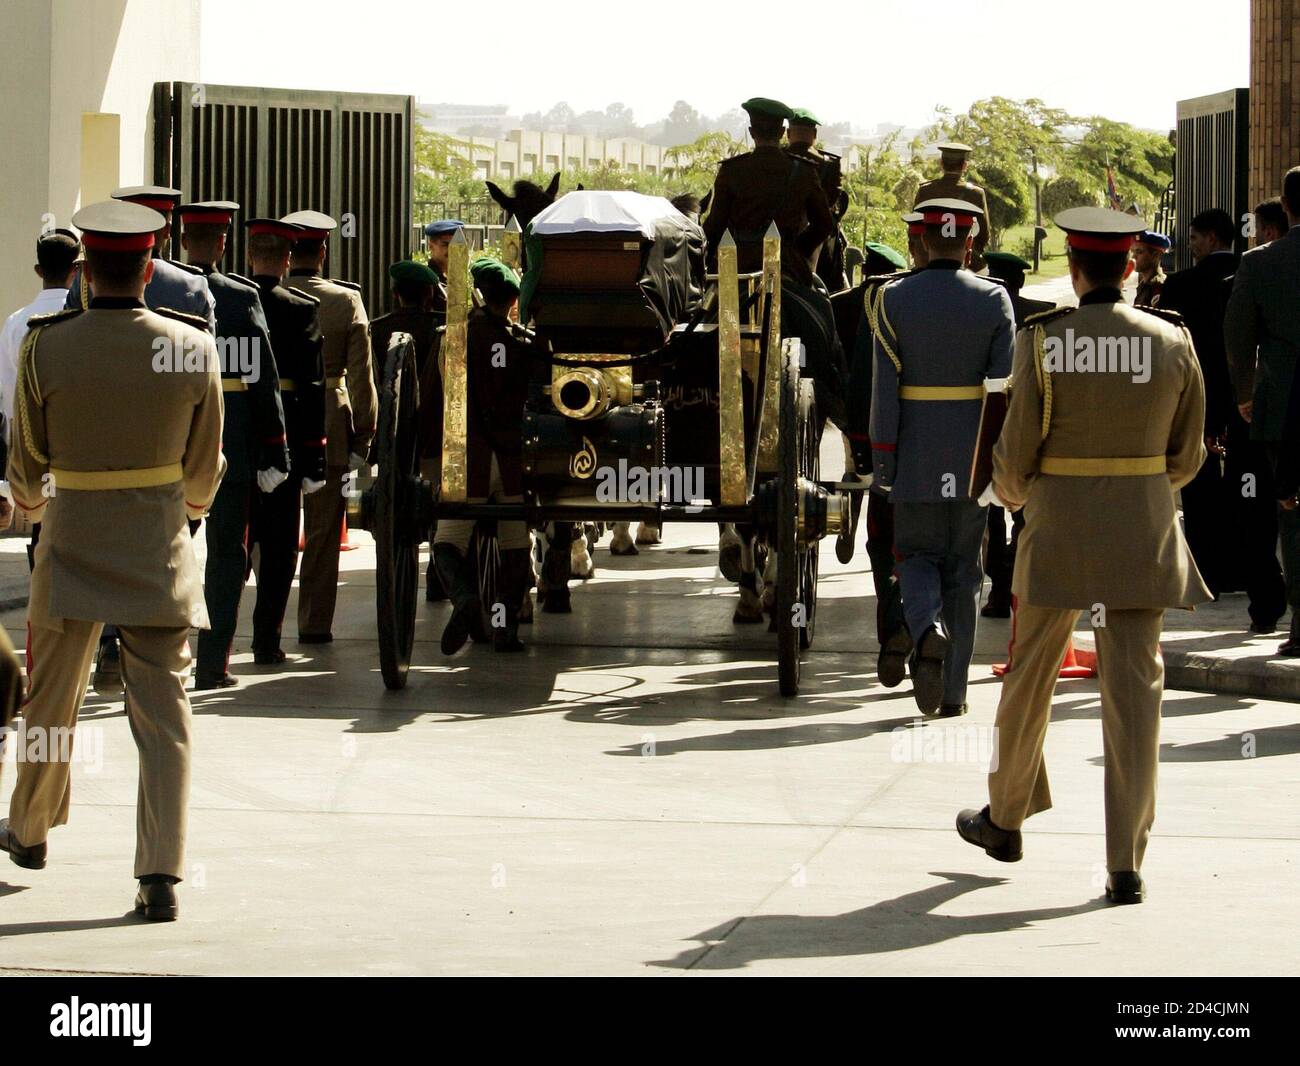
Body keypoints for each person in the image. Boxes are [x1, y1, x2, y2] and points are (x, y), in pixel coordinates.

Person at [957, 207, 1210, 905]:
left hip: (1059, 527)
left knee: (1029, 678)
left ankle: (1005, 819)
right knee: (1136, 697)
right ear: (1130, 268)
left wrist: (1016, 497)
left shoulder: (1044, 342)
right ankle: (1126, 865)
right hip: (1142, 530)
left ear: (1075, 268)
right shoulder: (1171, 341)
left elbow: (1013, 459)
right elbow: (1187, 457)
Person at [0, 200, 225, 920]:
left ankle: (30, 830)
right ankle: (161, 873)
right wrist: (182, 511)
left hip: (70, 548)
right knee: (166, 718)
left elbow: (27, 470)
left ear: (87, 270)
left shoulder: (45, 346)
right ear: (151, 266)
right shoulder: (190, 347)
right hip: (159, 549)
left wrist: (38, 510)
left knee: (49, 706)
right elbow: (202, 472)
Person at [866, 198, 1014, 715]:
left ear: (925, 241)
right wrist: (996, 463)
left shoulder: (893, 299)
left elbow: (885, 389)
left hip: (914, 454)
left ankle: (925, 627)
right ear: (970, 243)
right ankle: (953, 695)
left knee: (916, 557)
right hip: (972, 458)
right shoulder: (994, 300)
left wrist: (883, 459)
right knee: (966, 572)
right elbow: (1002, 392)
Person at [180, 202, 291, 689]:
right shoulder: (241, 298)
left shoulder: (163, 290)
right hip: (229, 445)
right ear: (223, 244)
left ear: (183, 241)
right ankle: (210, 666)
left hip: (170, 444)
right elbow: (262, 380)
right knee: (228, 554)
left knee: (163, 548)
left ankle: (151, 656)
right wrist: (276, 448)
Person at [281, 210, 377, 645]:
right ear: (322, 251)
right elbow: (361, 378)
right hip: (329, 416)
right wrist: (364, 436)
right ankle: (314, 622)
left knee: (274, 524)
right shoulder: (344, 301)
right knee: (322, 529)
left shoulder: (267, 297)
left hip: (279, 415)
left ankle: (268, 621)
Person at [431, 258, 534, 655]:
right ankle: (504, 628)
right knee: (514, 546)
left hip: (467, 457)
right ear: (511, 300)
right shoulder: (520, 343)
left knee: (448, 541)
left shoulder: (454, 339)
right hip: (509, 460)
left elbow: (444, 397)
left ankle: (465, 599)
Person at [243, 218, 328, 665]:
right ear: (288, 259)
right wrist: (315, 455)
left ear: (248, 256)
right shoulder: (301, 307)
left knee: (234, 541)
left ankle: (216, 638)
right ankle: (266, 640)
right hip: (288, 439)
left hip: (239, 438)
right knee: (277, 550)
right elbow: (314, 387)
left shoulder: (233, 302)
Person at [1226, 166, 1300, 654]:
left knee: (1292, 515)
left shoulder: (1260, 263)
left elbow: (1237, 335)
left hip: (1284, 405)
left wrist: (1246, 393)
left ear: (1286, 207)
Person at [1160, 209, 1245, 604]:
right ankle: (1241, 567)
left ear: (1211, 238)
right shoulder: (1250, 272)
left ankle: (1206, 570)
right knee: (1245, 490)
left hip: (1197, 400)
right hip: (1244, 400)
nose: (1190, 245)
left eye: (1193, 238)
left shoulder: (1180, 286)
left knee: (1201, 491)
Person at [979, 251, 1057, 618]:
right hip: (1033, 425)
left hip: (990, 424)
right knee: (1026, 513)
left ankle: (1000, 587)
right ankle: (1019, 585)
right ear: (1021, 281)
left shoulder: (982, 310)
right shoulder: (1044, 316)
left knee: (992, 511)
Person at [370, 260, 447, 602]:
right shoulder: (441, 328)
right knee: (438, 497)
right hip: (432, 431)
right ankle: (438, 574)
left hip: (393, 438)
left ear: (395, 293)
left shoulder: (378, 328)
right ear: (430, 294)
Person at [702, 97, 835, 287]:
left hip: (735, 269)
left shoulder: (732, 170)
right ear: (782, 132)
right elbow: (824, 224)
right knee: (822, 310)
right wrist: (795, 249)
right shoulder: (804, 171)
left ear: (751, 131)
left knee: (703, 313)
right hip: (786, 267)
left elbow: (714, 227)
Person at [0, 230, 80, 436]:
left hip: (27, 440)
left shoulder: (14, 323)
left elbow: (9, 393)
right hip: (74, 441)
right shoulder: (84, 318)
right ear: (76, 270)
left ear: (38, 270)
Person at [786, 107, 847, 291]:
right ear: (814, 134)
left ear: (788, 133)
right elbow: (832, 204)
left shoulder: (778, 159)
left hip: (779, 241)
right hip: (819, 245)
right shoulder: (829, 164)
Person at [914, 143, 991, 269]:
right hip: (964, 261)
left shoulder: (925, 191)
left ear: (941, 164)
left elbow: (915, 229)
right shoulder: (976, 193)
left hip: (928, 261)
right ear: (964, 166)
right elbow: (983, 235)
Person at [424, 219, 465, 314]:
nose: (452, 250)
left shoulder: (454, 276)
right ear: (431, 246)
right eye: (446, 245)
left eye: (456, 245)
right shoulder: (428, 280)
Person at [1131, 230, 1171, 307]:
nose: (1133, 257)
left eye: (1139, 252)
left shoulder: (1158, 286)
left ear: (1155, 256)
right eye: (1133, 251)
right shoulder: (1144, 284)